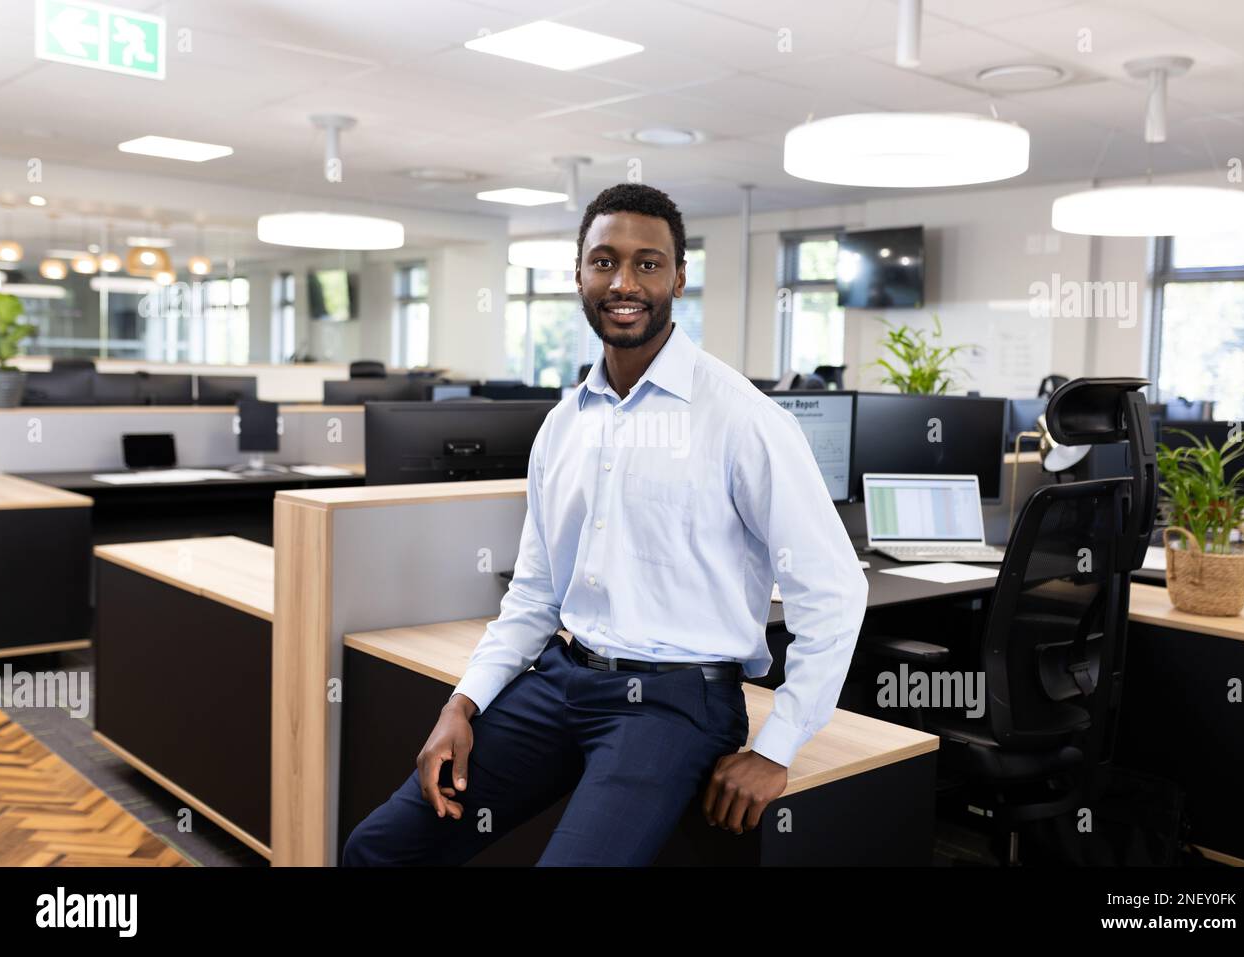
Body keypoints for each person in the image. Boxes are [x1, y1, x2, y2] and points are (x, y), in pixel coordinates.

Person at [342, 183, 868, 866]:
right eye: (604, 261)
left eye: (648, 263)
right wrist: (463, 702)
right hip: (562, 676)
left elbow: (832, 589)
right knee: (376, 848)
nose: (624, 282)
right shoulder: (563, 426)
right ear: (579, 275)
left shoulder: (742, 418)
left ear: (679, 276)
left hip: (678, 701)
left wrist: (776, 746)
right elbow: (534, 594)